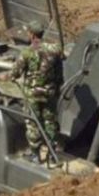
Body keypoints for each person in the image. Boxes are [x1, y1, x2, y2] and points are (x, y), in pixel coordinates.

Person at [14, 25, 63, 159]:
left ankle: (35, 155)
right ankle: (52, 153)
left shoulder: (27, 52)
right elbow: (59, 72)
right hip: (49, 94)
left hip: (33, 95)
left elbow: (15, 73)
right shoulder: (54, 50)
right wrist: (57, 87)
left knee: (33, 123)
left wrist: (6, 77)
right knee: (50, 121)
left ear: (32, 35)